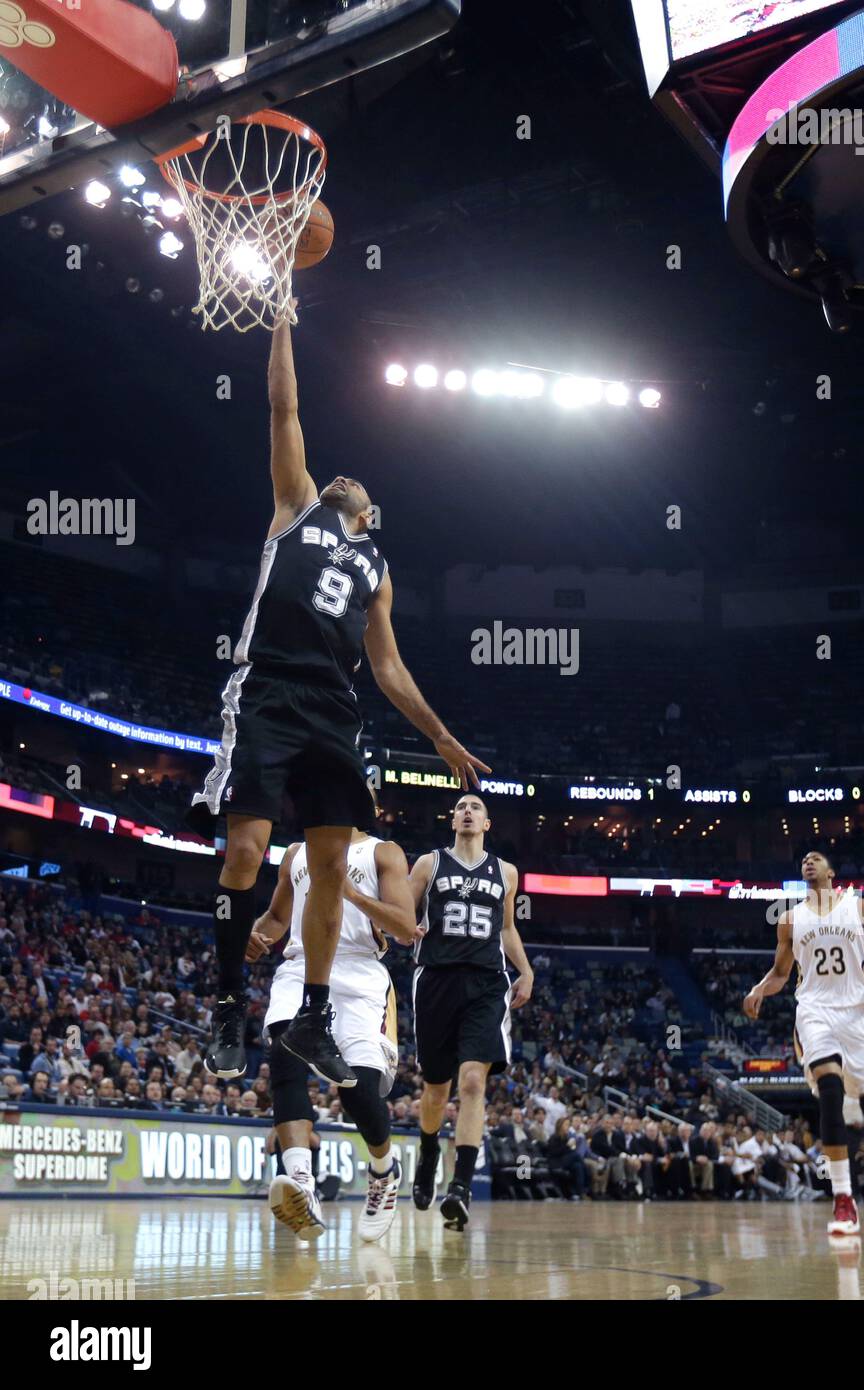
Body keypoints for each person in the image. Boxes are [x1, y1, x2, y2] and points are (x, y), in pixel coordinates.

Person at [188, 306, 488, 1083]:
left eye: (356, 484)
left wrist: (441, 736)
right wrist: (282, 322)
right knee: (248, 851)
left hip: (334, 711)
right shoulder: (296, 506)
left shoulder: (377, 569)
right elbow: (283, 408)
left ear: (369, 515)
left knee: (328, 868)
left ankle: (314, 1014)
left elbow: (387, 669)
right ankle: (226, 1001)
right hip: (268, 692)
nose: (343, 475)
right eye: (338, 474)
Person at [248, 826, 418, 1242]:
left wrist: (349, 892)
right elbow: (276, 917)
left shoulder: (383, 852)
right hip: (300, 966)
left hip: (359, 971)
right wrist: (256, 935)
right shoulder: (294, 853)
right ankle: (302, 1182)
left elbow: (405, 926)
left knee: (356, 1091)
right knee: (285, 1060)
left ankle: (383, 1169)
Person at [743, 852, 864, 1237]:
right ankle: (844, 1200)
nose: (808, 861)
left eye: (817, 859)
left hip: (859, 1014)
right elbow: (782, 974)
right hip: (815, 1012)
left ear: (832, 872)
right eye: (804, 859)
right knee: (829, 1091)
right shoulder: (790, 920)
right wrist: (758, 989)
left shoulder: (862, 909)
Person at [408, 794, 532, 1230]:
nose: (466, 811)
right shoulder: (428, 863)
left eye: (474, 806)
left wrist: (526, 970)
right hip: (436, 979)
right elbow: (402, 908)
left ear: (487, 822)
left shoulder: (506, 872)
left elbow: (507, 928)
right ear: (452, 819)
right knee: (436, 1090)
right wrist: (408, 925)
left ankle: (459, 1188)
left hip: (485, 982)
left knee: (474, 1080)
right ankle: (427, 1153)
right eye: (461, 806)